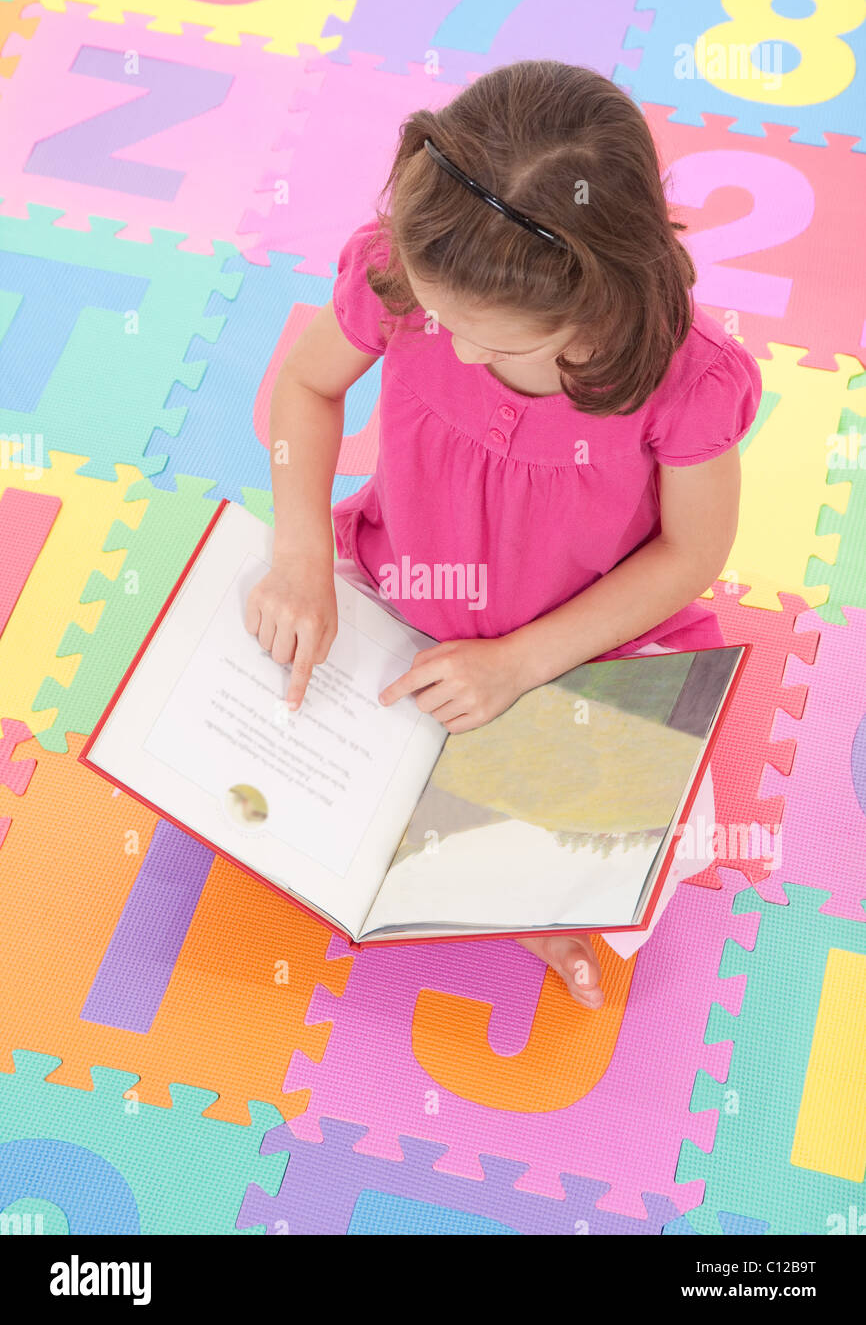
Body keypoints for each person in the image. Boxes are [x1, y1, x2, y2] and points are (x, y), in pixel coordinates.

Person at [245, 61, 762, 1008]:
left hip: (579, 637)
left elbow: (691, 557)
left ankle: (515, 897)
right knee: (261, 695)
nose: (460, 351)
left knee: (659, 836)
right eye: (444, 321)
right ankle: (479, 874)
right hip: (398, 583)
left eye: (500, 342)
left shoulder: (690, 379)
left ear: (602, 296)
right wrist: (298, 554)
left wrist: (521, 663)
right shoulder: (406, 276)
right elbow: (304, 389)